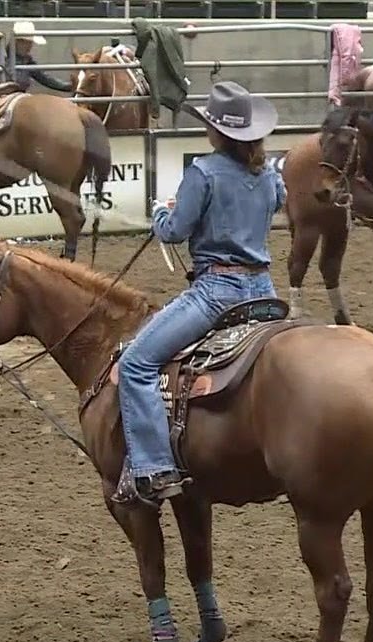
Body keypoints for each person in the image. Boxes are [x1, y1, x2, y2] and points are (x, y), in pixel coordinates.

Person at [112, 81, 285, 506]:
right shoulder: (267, 175)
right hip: (262, 289)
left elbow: (174, 230)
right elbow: (276, 202)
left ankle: (152, 467)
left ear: (216, 132)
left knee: (135, 363)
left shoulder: (203, 173)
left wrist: (159, 212)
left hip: (217, 291)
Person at [0, 21, 74, 94]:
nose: (30, 47)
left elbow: (44, 78)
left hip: (19, 96)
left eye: (30, 43)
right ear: (17, 42)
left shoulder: (27, 61)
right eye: (27, 43)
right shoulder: (1, 58)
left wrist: (68, 87)